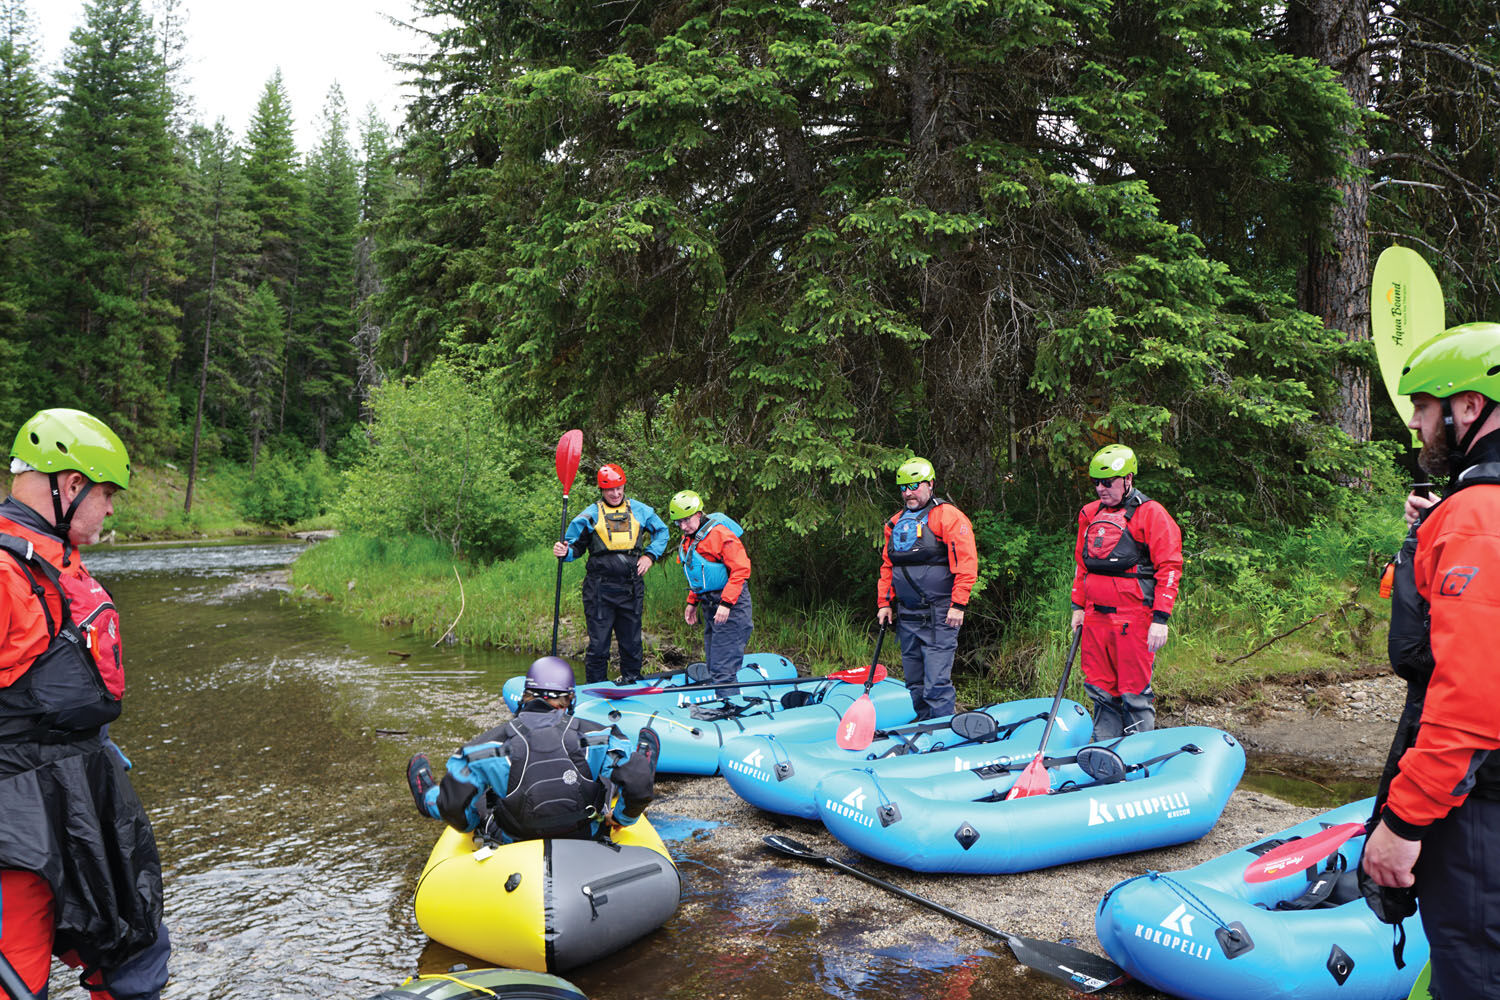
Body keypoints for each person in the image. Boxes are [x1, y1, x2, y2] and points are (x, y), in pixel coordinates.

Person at [0, 408, 171, 999]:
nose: (112, 508)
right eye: (106, 494)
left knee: (135, 946)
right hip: (15, 815)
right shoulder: (3, 573)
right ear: (70, 486)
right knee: (16, 977)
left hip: (84, 788)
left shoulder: (50, 559)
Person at [1362, 322, 1500, 999]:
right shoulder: (1468, 509)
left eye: (1422, 405)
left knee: (1474, 974)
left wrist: (1404, 822)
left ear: (1468, 406)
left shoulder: (1477, 517)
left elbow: (1470, 700)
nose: (1414, 423)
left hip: (1479, 807)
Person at [406, 656, 656, 841]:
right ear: (570, 699)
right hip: (584, 833)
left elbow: (452, 806)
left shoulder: (482, 749)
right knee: (607, 775)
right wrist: (621, 818)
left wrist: (472, 823)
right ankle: (642, 759)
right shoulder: (601, 735)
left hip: (515, 837)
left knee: (482, 795)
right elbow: (637, 785)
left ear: (524, 696)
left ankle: (426, 798)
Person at [1069, 444, 1183, 739]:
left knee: (1133, 690)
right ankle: (1105, 749)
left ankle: (1137, 753)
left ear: (1128, 479)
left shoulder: (1151, 513)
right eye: (1095, 482)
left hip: (1134, 618)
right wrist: (1078, 607)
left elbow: (1169, 567)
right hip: (1095, 617)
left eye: (1107, 482)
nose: (1100, 489)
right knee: (1099, 686)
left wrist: (1160, 619)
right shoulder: (1089, 514)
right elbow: (1083, 565)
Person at [876, 457, 978, 720]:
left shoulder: (948, 516)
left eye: (914, 486)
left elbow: (966, 563)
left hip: (940, 613)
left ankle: (941, 730)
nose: (908, 493)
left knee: (936, 684)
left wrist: (958, 604)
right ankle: (923, 725)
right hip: (908, 614)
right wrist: (884, 603)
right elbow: (888, 565)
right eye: (903, 488)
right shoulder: (895, 522)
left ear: (930, 484)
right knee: (914, 681)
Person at [551, 464, 669, 684]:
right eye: (609, 490)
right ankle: (596, 689)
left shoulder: (641, 511)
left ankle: (632, 683)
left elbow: (662, 532)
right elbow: (575, 547)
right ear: (601, 490)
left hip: (631, 587)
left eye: (619, 488)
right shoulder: (589, 515)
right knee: (599, 644)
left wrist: (650, 556)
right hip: (599, 589)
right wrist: (565, 552)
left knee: (632, 643)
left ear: (624, 486)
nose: (615, 494)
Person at [669, 490, 752, 698]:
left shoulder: (720, 535)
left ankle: (731, 711)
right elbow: (699, 573)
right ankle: (723, 702)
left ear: (698, 514)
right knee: (713, 661)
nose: (683, 526)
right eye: (678, 522)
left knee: (723, 667)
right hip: (710, 604)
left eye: (686, 520)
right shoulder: (691, 538)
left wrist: (726, 604)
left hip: (732, 606)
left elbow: (741, 570)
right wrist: (692, 602)